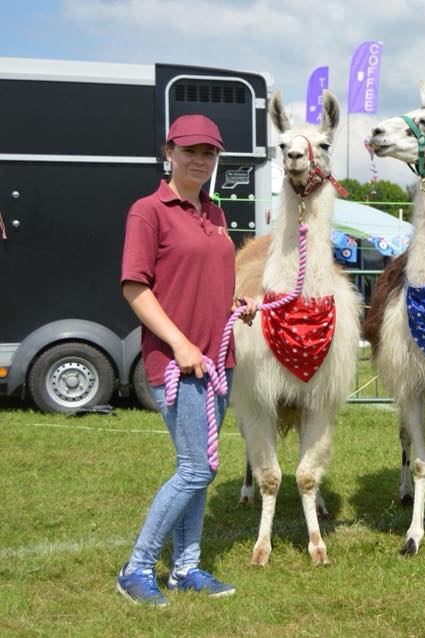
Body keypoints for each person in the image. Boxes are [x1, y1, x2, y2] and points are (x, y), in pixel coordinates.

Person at [117, 114, 255, 605]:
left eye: (210, 152)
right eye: (191, 150)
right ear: (169, 152)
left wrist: (237, 304)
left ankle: (186, 568)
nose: (200, 160)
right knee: (197, 469)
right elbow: (136, 287)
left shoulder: (215, 213)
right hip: (179, 363)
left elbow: (207, 281)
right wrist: (179, 343)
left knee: (204, 466)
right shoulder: (148, 211)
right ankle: (135, 568)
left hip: (218, 361)